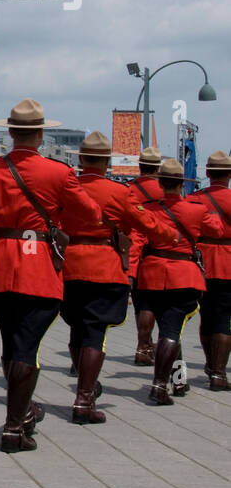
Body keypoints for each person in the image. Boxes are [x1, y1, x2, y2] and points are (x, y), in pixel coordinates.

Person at [0, 99, 100, 452]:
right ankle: (14, 426)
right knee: (26, 346)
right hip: (39, 266)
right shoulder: (59, 173)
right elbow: (90, 215)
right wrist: (55, 222)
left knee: (13, 343)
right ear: (40, 134)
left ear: (11, 133)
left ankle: (23, 414)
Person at [60, 132, 175, 422]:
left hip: (69, 263)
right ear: (105, 161)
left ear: (81, 159)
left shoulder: (65, 188)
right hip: (103, 266)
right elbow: (146, 223)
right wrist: (170, 235)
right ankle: (84, 399)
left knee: (77, 325)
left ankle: (85, 383)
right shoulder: (119, 192)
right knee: (95, 332)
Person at [135, 158, 221, 404]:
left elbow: (138, 236)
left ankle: (179, 380)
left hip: (152, 273)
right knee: (172, 331)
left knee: (171, 332)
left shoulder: (150, 209)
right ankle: (160, 386)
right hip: (183, 274)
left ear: (161, 183)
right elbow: (215, 229)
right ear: (182, 183)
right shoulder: (196, 209)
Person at [190, 150, 231, 390]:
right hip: (227, 263)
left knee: (206, 317)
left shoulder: (195, 199)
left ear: (207, 173)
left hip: (201, 263)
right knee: (224, 319)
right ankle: (218, 374)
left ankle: (209, 363)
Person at [128, 145, 164, 365]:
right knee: (153, 302)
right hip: (156, 247)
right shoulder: (164, 189)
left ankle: (143, 344)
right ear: (157, 168)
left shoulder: (129, 189)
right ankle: (147, 346)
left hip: (133, 249)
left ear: (140, 166)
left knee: (141, 301)